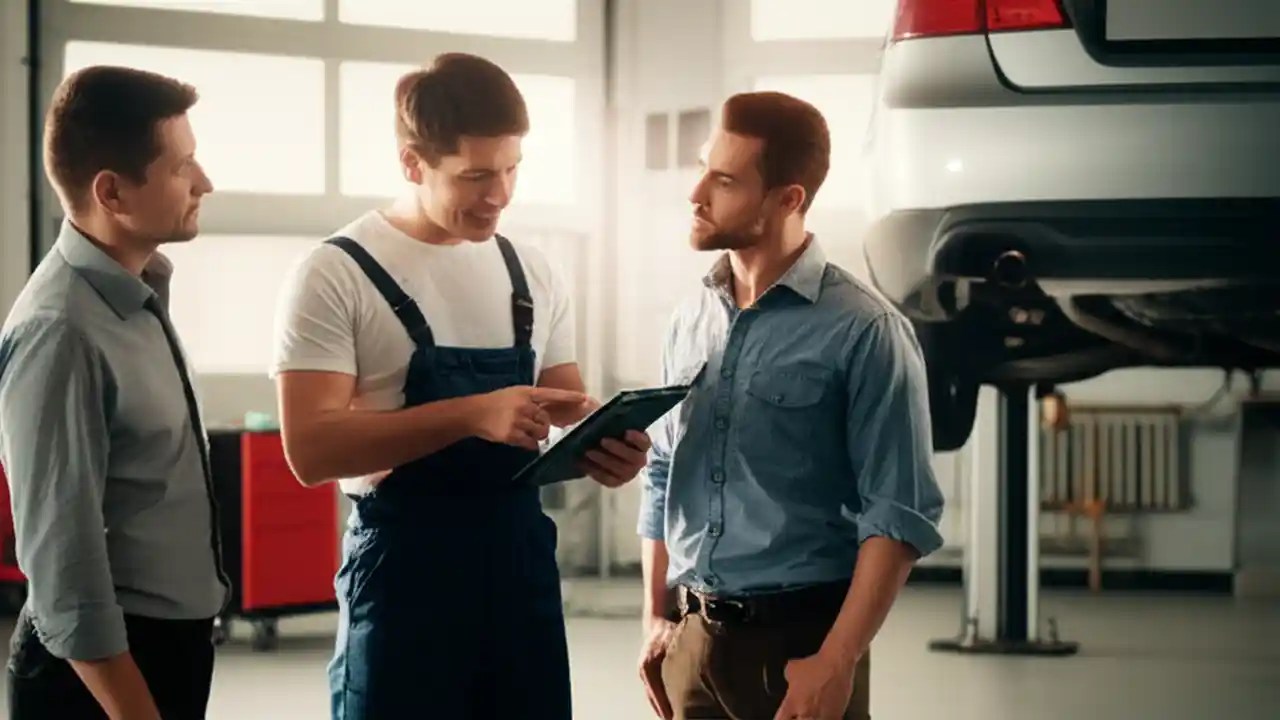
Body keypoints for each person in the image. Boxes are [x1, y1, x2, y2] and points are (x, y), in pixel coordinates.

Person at [271, 52, 650, 720]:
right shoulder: (335, 274)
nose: (500, 194)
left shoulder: (531, 270)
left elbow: (564, 403)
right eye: (475, 176)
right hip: (404, 569)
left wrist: (602, 445)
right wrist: (474, 413)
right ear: (412, 163)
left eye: (511, 170)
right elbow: (312, 450)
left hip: (519, 561)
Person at [635, 91, 946, 720]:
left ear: (789, 198)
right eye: (703, 167)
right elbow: (664, 470)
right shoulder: (690, 317)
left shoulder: (865, 330)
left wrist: (837, 661)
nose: (696, 193)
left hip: (799, 646)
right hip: (690, 641)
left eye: (724, 179)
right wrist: (655, 614)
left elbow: (899, 515)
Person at [0, 66, 227, 720]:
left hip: (168, 647)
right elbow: (64, 573)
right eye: (182, 166)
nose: (204, 181)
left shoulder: (139, 291)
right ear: (112, 192)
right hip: (104, 672)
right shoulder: (61, 333)